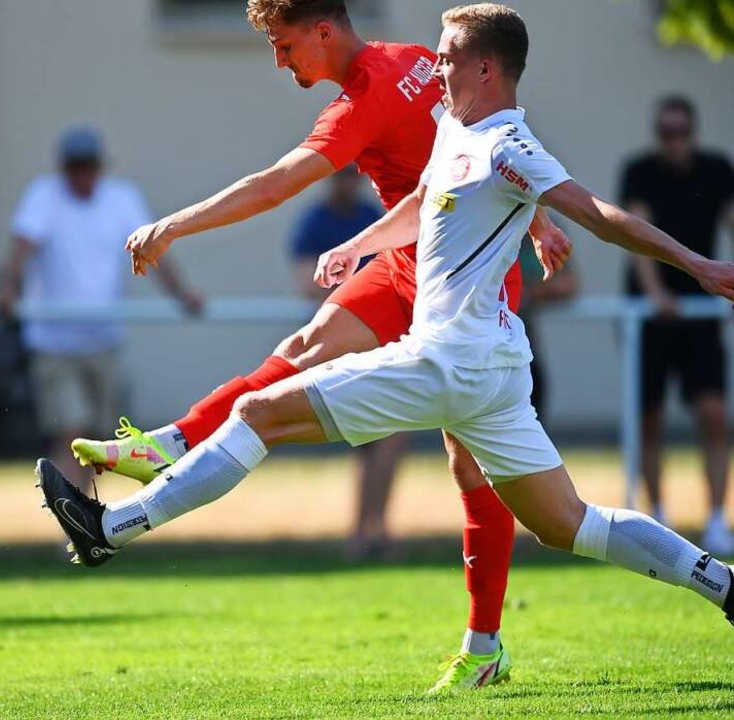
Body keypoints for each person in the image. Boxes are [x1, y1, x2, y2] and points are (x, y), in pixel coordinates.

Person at [41, 1, 734, 691]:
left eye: (449, 55)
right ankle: (721, 584)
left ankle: (112, 527)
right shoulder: (455, 128)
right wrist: (355, 245)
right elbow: (422, 201)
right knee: (568, 523)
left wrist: (698, 267)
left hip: (446, 360)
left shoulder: (507, 146)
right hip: (492, 372)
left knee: (258, 415)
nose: (435, 65)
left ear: (485, 68)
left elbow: (604, 217)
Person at [0, 127, 202, 489]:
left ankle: (80, 516)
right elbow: (21, 248)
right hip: (53, 343)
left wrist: (181, 293)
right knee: (71, 432)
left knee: (99, 440)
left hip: (104, 340)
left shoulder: (121, 198)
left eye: (88, 165)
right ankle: (69, 518)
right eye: (76, 166)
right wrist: (9, 289)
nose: (82, 174)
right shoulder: (44, 196)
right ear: (64, 168)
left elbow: (153, 250)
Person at [619, 96, 734, 554]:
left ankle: (716, 520)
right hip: (652, 314)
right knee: (649, 417)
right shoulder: (641, 172)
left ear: (693, 132)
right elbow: (634, 231)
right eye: (666, 133)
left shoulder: (716, 169)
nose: (674, 143)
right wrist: (655, 294)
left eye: (681, 133)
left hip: (700, 312)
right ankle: (659, 518)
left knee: (713, 414)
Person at [291, 167, 402, 559]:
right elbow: (308, 282)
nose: (347, 184)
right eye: (341, 177)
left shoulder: (372, 216)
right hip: (338, 344)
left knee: (387, 437)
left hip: (376, 341)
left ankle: (372, 528)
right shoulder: (315, 221)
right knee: (370, 438)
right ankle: (361, 531)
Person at [516, 230, 578, 424]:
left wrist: (528, 292)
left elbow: (568, 284)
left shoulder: (542, 224)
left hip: (523, 355)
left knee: (529, 434)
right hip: (477, 356)